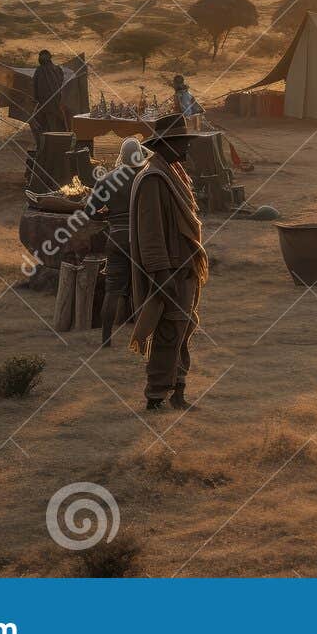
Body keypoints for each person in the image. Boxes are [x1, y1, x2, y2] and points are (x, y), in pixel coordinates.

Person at [128, 115, 208, 412]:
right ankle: (155, 395)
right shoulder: (153, 179)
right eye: (183, 141)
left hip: (184, 268)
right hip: (169, 270)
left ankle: (178, 391)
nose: (187, 146)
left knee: (182, 331)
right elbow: (151, 235)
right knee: (168, 333)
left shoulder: (173, 171)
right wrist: (161, 276)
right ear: (167, 144)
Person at [79, 138, 142, 349]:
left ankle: (106, 338)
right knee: (147, 287)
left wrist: (108, 219)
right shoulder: (147, 177)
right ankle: (144, 336)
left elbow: (89, 211)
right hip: (143, 239)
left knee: (113, 290)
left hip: (116, 236)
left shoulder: (107, 180)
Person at [31, 50, 69, 137]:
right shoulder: (58, 69)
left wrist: (36, 101)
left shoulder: (39, 70)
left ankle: (52, 141)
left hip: (45, 103)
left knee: (47, 125)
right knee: (57, 122)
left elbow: (34, 88)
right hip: (56, 102)